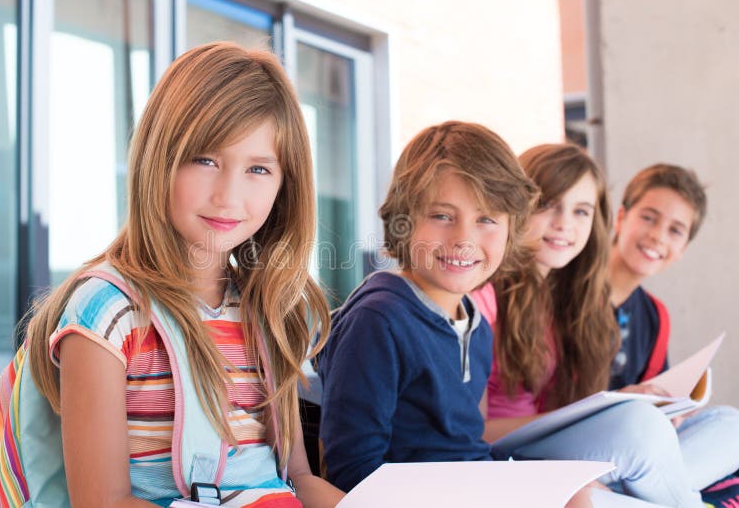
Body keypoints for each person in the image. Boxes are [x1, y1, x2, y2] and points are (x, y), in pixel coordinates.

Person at [0, 42, 343, 507]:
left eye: (258, 168)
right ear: (158, 159)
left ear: (283, 185)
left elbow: (297, 480)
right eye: (205, 160)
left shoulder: (266, 310)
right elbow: (103, 503)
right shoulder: (108, 312)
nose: (229, 195)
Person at [317, 122, 650, 508]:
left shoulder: (473, 320)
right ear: (403, 220)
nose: (464, 239)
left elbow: (466, 446)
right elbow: (352, 470)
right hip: (417, 497)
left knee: (590, 494)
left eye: (487, 220)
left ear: (513, 230)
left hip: (471, 483)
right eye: (442, 215)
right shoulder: (379, 318)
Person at [474, 144, 707, 507]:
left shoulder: (565, 298)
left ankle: (648, 486)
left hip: (561, 448)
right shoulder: (483, 296)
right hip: (506, 453)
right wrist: (610, 412)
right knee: (639, 434)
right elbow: (472, 434)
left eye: (581, 211)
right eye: (548, 204)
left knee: (728, 427)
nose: (564, 223)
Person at [608, 163, 739, 495]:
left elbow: (656, 401)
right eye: (648, 217)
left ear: (682, 250)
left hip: (636, 453)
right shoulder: (575, 294)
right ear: (621, 218)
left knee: (730, 424)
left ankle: (639, 496)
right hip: (595, 446)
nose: (657, 236)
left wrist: (674, 412)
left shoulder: (655, 316)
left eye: (675, 230)